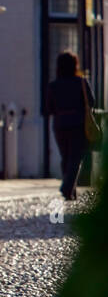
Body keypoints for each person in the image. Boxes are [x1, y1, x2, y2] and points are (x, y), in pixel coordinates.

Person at [49, 51, 96, 201]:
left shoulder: (53, 85)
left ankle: (70, 190)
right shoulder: (81, 82)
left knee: (65, 157)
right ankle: (67, 187)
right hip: (78, 123)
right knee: (76, 157)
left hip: (60, 123)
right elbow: (92, 101)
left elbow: (48, 108)